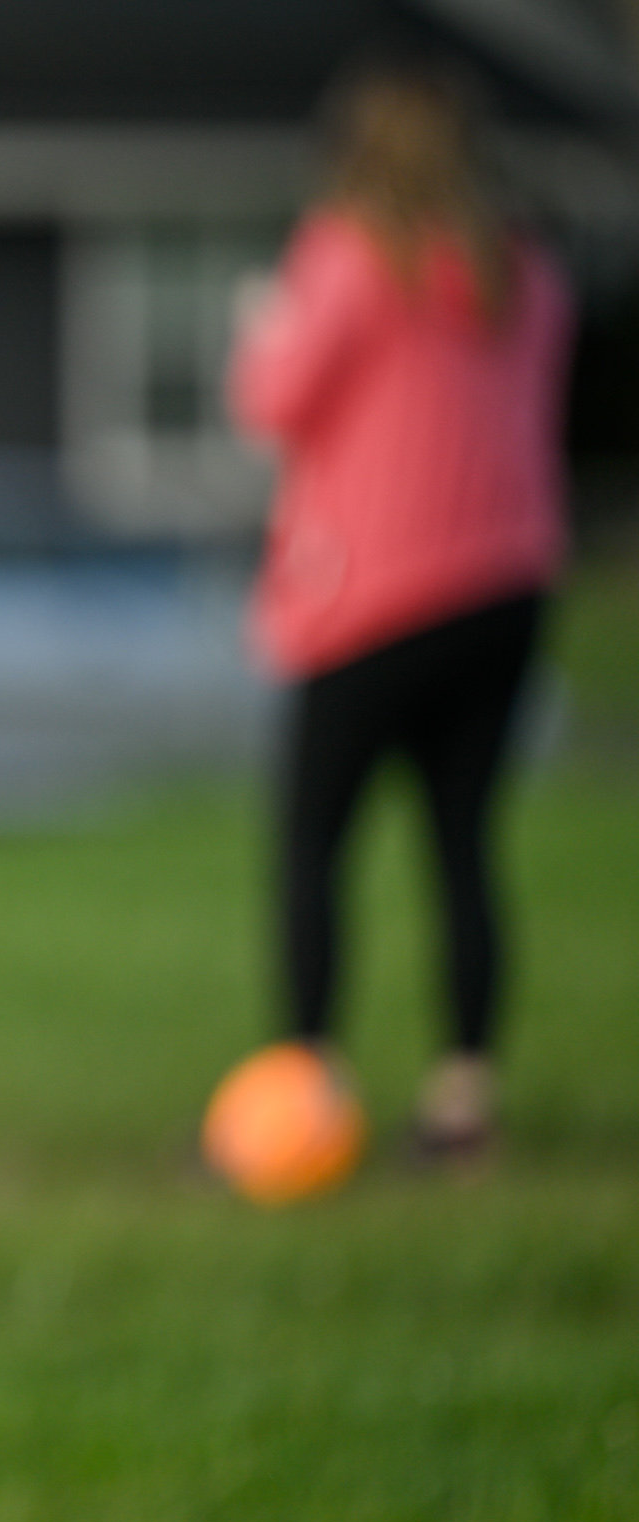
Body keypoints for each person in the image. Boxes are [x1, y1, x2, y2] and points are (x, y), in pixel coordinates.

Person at [227, 62, 572, 1159]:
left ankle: (305, 1096)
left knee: (313, 843)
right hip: (506, 590)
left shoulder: (344, 260)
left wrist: (261, 322)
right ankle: (464, 1102)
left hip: (371, 595)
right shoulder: (522, 269)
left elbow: (269, 400)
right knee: (462, 843)